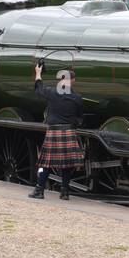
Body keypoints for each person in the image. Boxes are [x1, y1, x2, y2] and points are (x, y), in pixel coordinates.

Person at [28, 64, 84, 201]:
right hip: (69, 132)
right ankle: (65, 192)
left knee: (47, 163)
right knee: (67, 164)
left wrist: (38, 73)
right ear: (73, 81)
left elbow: (38, 88)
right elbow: (80, 118)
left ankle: (39, 191)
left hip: (54, 132)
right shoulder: (77, 97)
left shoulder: (52, 92)